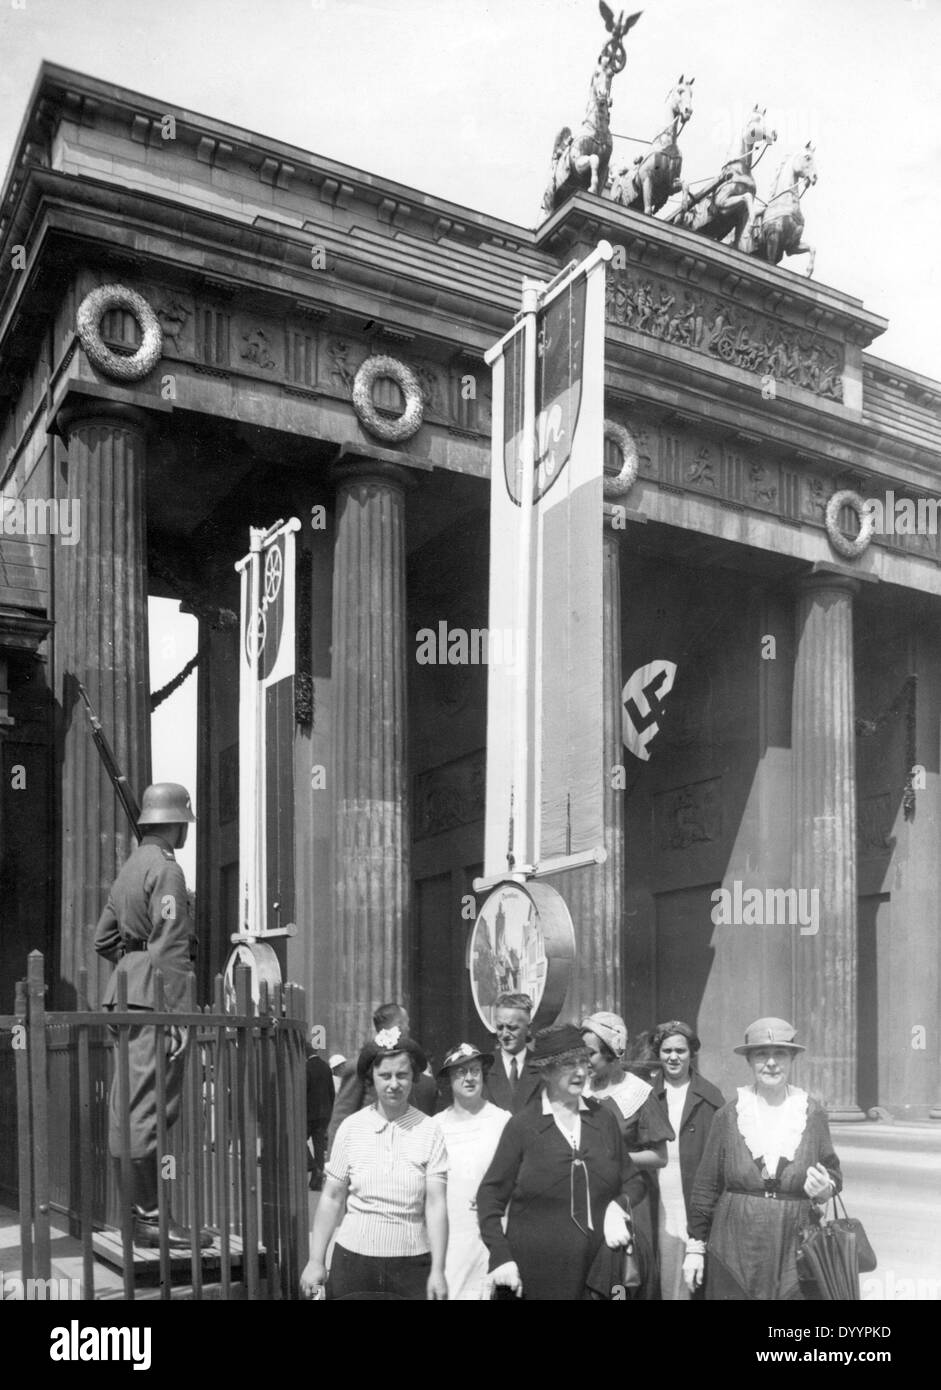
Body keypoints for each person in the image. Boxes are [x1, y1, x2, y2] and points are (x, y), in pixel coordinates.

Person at [93, 782, 210, 1249]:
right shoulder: (167, 871)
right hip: (157, 1002)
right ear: (176, 822)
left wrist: (133, 963)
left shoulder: (129, 869)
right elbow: (173, 946)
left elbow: (104, 940)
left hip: (128, 997)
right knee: (151, 1108)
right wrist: (178, 1017)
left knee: (130, 1104)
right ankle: (150, 1218)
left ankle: (140, 1215)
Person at [476, 1022, 642, 1301]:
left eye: (583, 1062)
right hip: (536, 1272)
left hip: (598, 1271)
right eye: (568, 1064)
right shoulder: (523, 1126)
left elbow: (634, 1180)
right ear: (546, 1071)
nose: (580, 1072)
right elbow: (489, 1196)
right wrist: (501, 1257)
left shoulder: (602, 1119)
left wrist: (618, 1206)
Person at [684, 1017, 842, 1301]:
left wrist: (825, 1188)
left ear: (792, 1058)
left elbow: (833, 1172)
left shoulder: (812, 1114)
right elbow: (705, 1187)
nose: (771, 1063)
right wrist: (695, 1248)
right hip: (736, 1241)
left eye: (780, 1053)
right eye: (761, 1054)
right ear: (749, 1061)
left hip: (794, 1242)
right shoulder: (729, 1116)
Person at [300, 1028, 448, 1300]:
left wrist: (438, 1269)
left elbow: (436, 1204)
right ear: (372, 1079)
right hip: (355, 1263)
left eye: (402, 1075)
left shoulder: (430, 1131)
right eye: (385, 1076)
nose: (394, 1084)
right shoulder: (351, 1128)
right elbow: (332, 1197)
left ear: (413, 1077)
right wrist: (316, 1260)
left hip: (412, 1265)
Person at [581, 1011, 673, 1299]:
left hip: (630, 1201)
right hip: (585, 1202)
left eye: (591, 1054)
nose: (584, 1062)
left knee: (622, 1281)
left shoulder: (637, 1094)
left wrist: (616, 1158)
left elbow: (660, 1156)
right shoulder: (578, 1089)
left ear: (611, 1053)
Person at [650, 1018, 724, 1300]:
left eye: (680, 1051)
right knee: (659, 1276)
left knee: (693, 1280)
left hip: (695, 1198)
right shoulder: (646, 1095)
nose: (673, 1057)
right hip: (658, 1198)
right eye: (666, 1050)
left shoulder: (710, 1096)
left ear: (691, 1053)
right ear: (658, 1053)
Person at [434, 1043, 510, 1300]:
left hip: (493, 1232)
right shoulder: (435, 1127)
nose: (469, 1077)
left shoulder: (503, 1121)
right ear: (448, 1079)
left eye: (475, 1070)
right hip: (452, 1235)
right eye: (461, 1071)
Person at [327, 1002, 436, 1146]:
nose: (409, 1028)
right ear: (399, 1026)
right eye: (406, 1023)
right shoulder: (359, 1065)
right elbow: (341, 1118)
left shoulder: (409, 1063)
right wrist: (335, 1160)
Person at [484, 992, 542, 1113]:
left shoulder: (542, 1067)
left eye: (512, 1027)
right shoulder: (484, 1067)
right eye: (500, 1027)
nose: (504, 1034)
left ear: (529, 1028)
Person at [306, 1032, 334, 1191]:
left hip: (309, 1113)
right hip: (324, 1114)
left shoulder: (305, 1068)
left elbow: (305, 1091)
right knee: (319, 1145)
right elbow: (331, 1091)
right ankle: (317, 1178)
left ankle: (313, 1167)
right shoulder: (326, 1067)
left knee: (298, 1139)